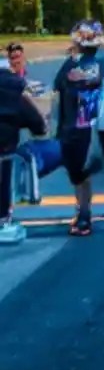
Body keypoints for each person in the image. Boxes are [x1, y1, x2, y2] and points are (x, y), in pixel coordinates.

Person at [51, 21, 104, 236]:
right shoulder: (100, 63)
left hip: (78, 125)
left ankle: (84, 215)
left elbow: (59, 84)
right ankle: (82, 213)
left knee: (79, 172)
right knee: (79, 173)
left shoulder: (81, 65)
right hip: (84, 124)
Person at [0, 53, 47, 244]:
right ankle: (3, 219)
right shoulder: (17, 97)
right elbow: (38, 125)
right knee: (4, 182)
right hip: (5, 146)